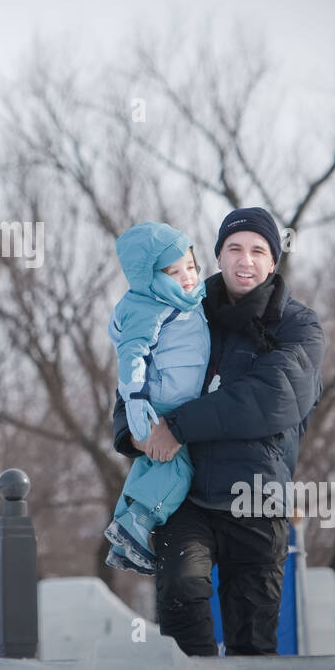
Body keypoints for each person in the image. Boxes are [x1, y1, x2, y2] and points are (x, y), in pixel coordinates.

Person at [112, 207, 324, 656]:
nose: (245, 260)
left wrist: (179, 425)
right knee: (181, 601)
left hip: (257, 498)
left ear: (272, 261)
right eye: (234, 249)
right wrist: (132, 432)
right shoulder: (180, 307)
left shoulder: (297, 326)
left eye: (257, 250)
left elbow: (273, 398)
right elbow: (138, 377)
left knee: (253, 642)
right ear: (218, 256)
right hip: (186, 495)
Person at [103, 222, 210, 575]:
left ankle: (123, 532)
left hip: (176, 396)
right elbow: (133, 354)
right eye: (174, 271)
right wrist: (133, 397)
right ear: (149, 277)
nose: (187, 277)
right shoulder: (151, 307)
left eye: (191, 267)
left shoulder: (187, 301)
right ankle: (139, 524)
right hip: (163, 400)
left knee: (149, 465)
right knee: (179, 468)